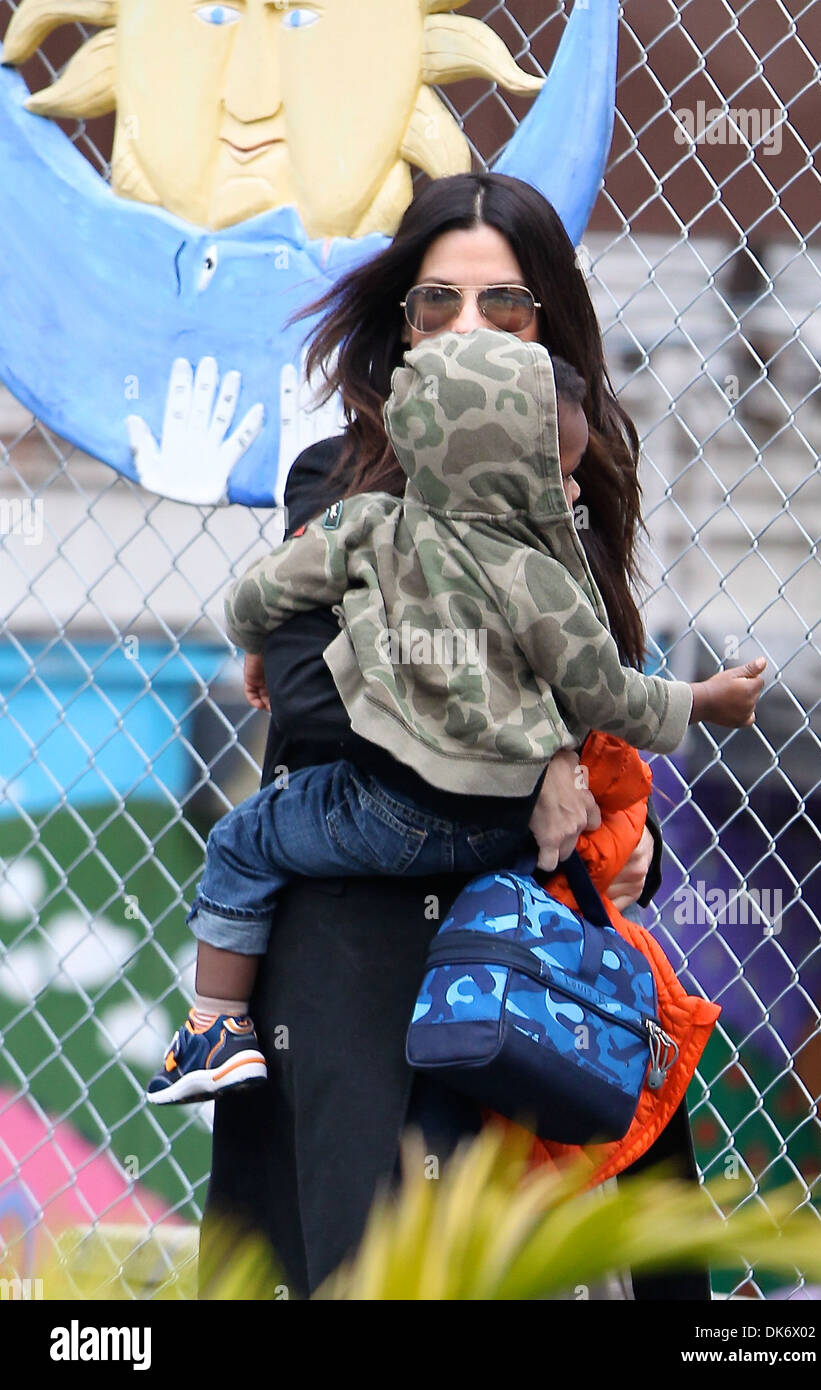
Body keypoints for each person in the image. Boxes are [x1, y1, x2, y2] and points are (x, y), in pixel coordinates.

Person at [199, 171, 761, 1300]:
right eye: (436, 305)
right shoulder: (341, 484)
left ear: (549, 327)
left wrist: (604, 808)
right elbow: (312, 702)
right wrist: (530, 776)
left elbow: (600, 699)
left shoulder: (579, 491)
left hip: (537, 964)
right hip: (365, 975)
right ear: (396, 332)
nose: (467, 328)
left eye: (502, 306)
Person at [150, 333, 762, 1106]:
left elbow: (262, 591)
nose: (573, 495)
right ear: (508, 472)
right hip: (505, 827)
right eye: (560, 475)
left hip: (389, 812)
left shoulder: (370, 523)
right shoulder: (541, 579)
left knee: (246, 839)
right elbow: (608, 695)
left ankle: (217, 1028)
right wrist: (705, 699)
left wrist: (257, 646)